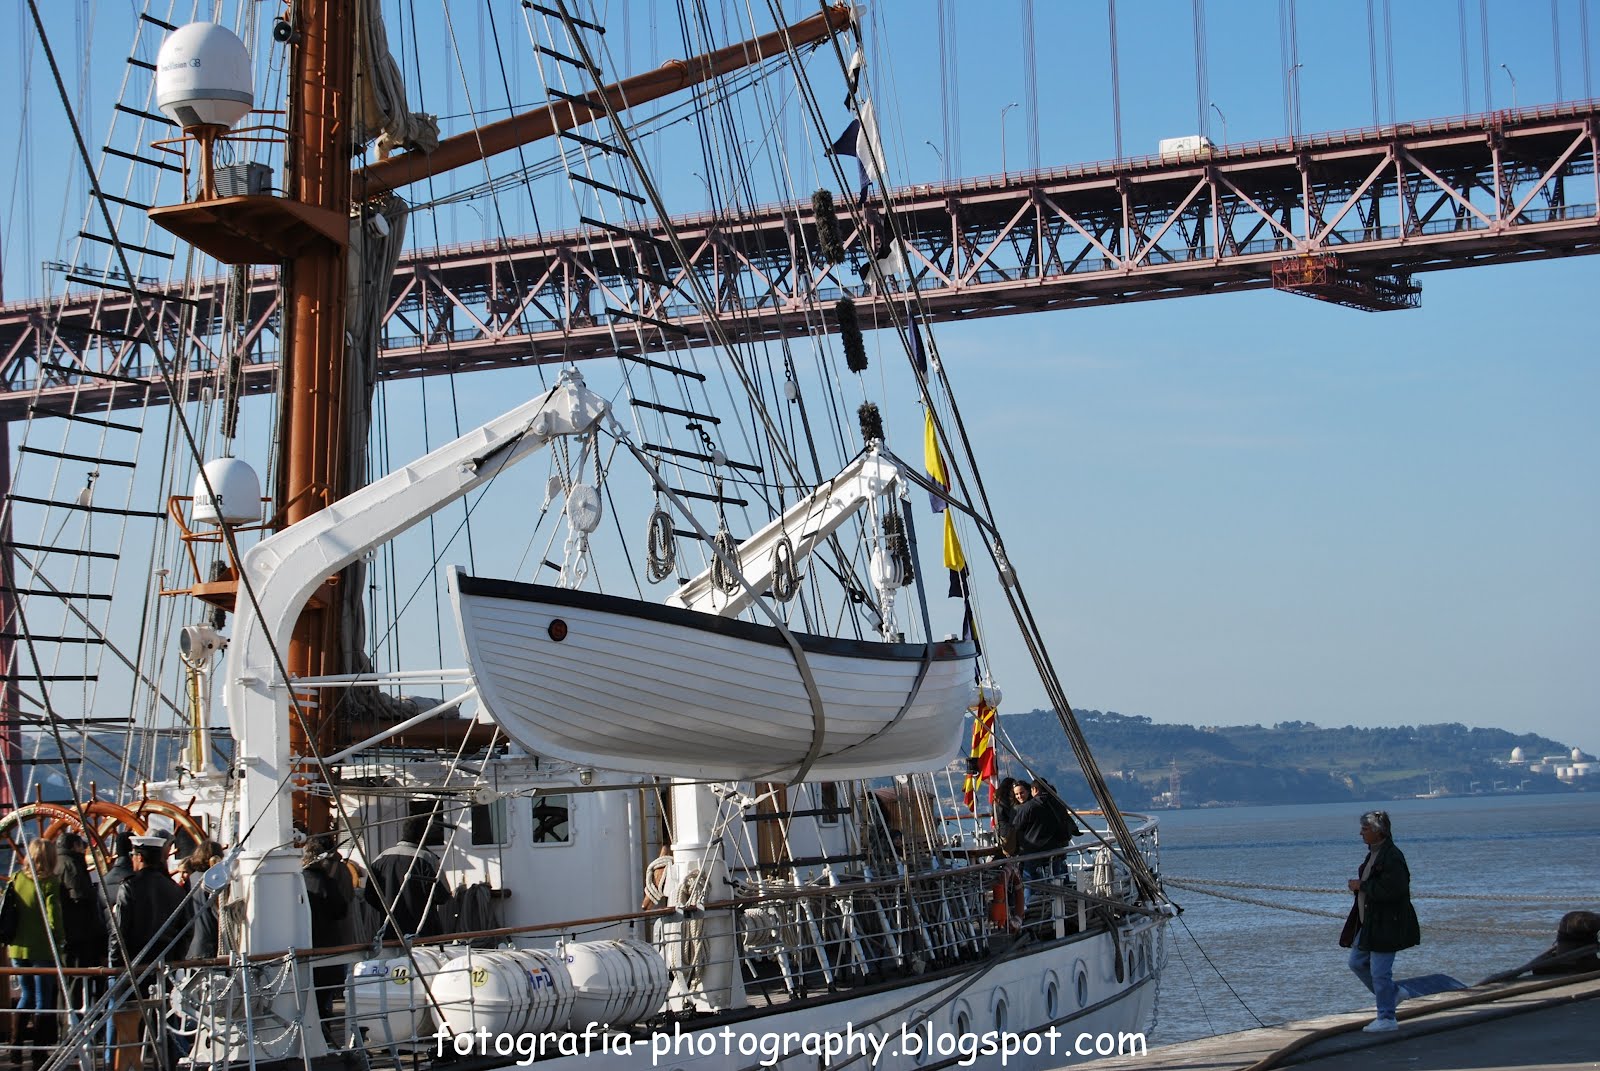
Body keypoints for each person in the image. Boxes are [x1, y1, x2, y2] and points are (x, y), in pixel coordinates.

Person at [1339, 810, 1421, 1033]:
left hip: (1386, 924)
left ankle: (1387, 1017)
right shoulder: (1373, 854)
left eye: (1365, 829)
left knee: (1380, 972)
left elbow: (1394, 890)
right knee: (1356, 962)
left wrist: (1361, 886)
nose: (1361, 833)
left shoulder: (1392, 856)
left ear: (1378, 831)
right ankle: (1393, 994)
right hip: (1369, 924)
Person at [6, 838, 63, 1064]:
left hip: (18, 949)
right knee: (43, 999)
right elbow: (54, 919)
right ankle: (39, 1050)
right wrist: (60, 941)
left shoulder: (16, 879)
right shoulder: (50, 883)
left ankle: (15, 1046)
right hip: (42, 949)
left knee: (27, 995)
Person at [365, 815, 452, 940]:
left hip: (389, 932)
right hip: (422, 934)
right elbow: (442, 896)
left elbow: (369, 895)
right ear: (421, 837)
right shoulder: (427, 859)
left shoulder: (380, 858)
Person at [55, 832, 109, 1023]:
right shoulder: (73, 866)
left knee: (68, 983)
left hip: (66, 935)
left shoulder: (58, 863)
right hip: (80, 936)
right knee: (77, 982)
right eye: (82, 846)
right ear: (75, 847)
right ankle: (75, 1027)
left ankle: (66, 1025)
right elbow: (82, 900)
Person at [301, 835, 353, 1020]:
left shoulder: (298, 880)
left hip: (307, 948)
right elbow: (341, 909)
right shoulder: (332, 877)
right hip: (329, 945)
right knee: (322, 1000)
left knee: (312, 999)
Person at [993, 777, 1020, 857]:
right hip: (1008, 832)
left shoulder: (997, 800)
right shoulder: (1005, 801)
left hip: (1001, 831)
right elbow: (1012, 816)